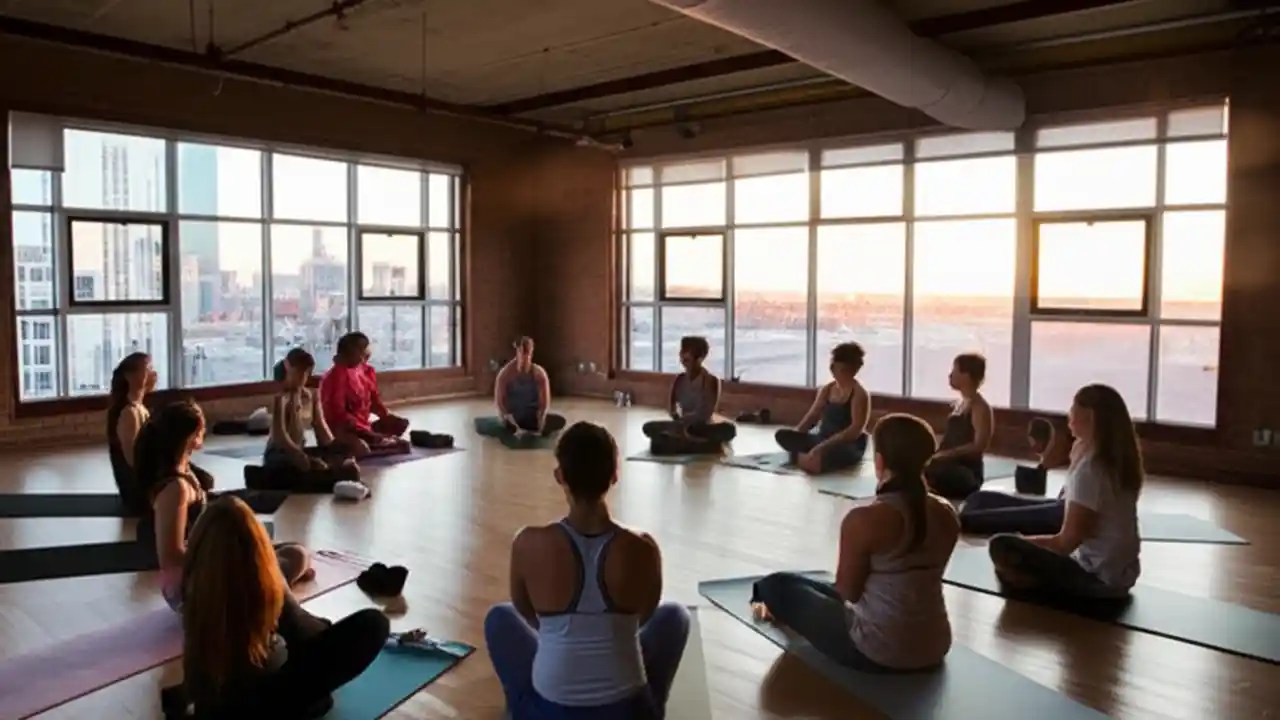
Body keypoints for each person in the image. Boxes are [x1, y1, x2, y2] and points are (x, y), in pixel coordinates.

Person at [484, 421, 690, 719]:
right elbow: (644, 615)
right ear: (615, 475)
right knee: (675, 616)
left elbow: (526, 610)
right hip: (628, 712)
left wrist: (565, 633)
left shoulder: (528, 542)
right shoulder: (644, 547)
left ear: (560, 476)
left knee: (499, 618)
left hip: (550, 711)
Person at [751, 413, 960, 672]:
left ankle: (768, 599)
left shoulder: (864, 520)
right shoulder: (947, 513)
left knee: (775, 586)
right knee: (807, 584)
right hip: (935, 646)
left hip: (876, 651)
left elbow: (848, 592)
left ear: (879, 461)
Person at [179, 495, 389, 718]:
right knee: (374, 624)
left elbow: (196, 679)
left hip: (216, 709)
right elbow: (306, 631)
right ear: (258, 547)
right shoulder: (266, 583)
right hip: (268, 701)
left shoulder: (194, 587)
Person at [134, 400, 311, 610]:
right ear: (190, 435)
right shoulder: (175, 489)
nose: (206, 430)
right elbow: (170, 558)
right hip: (192, 588)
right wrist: (224, 554)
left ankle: (266, 584)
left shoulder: (186, 472)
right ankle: (265, 593)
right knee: (295, 555)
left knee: (282, 548)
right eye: (202, 427)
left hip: (206, 568)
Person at [988, 384, 1143, 605]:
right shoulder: (1113, 461)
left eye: (1074, 407)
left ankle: (1034, 583)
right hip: (1119, 577)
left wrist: (1024, 541)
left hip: (1097, 581)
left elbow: (1065, 543)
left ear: (1089, 415)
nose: (1069, 413)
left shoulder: (1092, 469)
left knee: (1002, 545)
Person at [107, 353, 214, 514]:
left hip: (148, 477)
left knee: (204, 480)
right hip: (138, 490)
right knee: (198, 484)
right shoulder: (128, 413)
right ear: (129, 376)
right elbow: (134, 461)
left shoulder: (139, 408)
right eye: (148, 369)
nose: (153, 374)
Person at [250, 348, 359, 492]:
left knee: (341, 457)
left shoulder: (311, 396)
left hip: (300, 451)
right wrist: (299, 455)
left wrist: (336, 450)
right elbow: (279, 436)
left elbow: (321, 427)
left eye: (306, 373)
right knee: (301, 467)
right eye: (299, 372)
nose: (303, 377)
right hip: (280, 454)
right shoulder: (280, 398)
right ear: (288, 369)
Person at [773, 342, 871, 474]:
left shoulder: (859, 394)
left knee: (832, 454)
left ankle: (804, 458)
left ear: (853, 369)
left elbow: (854, 431)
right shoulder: (827, 389)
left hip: (845, 445)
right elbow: (813, 416)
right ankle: (807, 458)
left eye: (840, 369)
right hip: (821, 438)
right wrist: (798, 433)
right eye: (833, 368)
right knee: (782, 435)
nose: (834, 371)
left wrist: (823, 447)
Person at [959, 418, 1065, 536]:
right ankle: (967, 515)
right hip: (1062, 504)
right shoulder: (1082, 449)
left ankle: (963, 520)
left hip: (1065, 513)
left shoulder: (1087, 462)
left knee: (973, 519)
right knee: (979, 498)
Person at [319, 332, 411, 458]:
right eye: (362, 351)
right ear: (351, 352)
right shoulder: (334, 377)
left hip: (364, 426)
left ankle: (378, 441)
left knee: (399, 424)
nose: (366, 355)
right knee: (366, 448)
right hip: (345, 429)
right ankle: (375, 443)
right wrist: (364, 431)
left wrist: (386, 415)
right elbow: (337, 415)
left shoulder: (365, 371)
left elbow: (373, 401)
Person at [641, 336, 736, 455]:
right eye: (682, 352)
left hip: (701, 427)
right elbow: (672, 409)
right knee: (649, 427)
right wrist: (677, 421)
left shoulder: (710, 380)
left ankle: (686, 442)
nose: (683, 357)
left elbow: (705, 413)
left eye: (688, 353)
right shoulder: (679, 380)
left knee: (728, 429)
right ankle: (696, 444)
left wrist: (685, 422)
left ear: (700, 358)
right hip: (682, 426)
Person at [925, 353, 994, 500]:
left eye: (955, 371)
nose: (950, 375)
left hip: (965, 472)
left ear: (967, 376)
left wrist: (946, 455)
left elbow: (979, 446)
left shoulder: (979, 407)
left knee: (930, 469)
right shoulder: (960, 405)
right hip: (946, 465)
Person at [476, 336, 567, 439]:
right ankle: (516, 429)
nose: (525, 356)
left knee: (559, 421)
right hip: (512, 416)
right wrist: (512, 423)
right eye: (522, 352)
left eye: (527, 353)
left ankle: (531, 429)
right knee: (504, 426)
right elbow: (500, 403)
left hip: (531, 416)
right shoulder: (505, 375)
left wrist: (540, 423)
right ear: (517, 352)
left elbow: (544, 403)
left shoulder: (539, 374)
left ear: (532, 353)